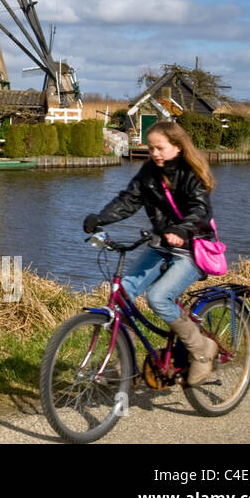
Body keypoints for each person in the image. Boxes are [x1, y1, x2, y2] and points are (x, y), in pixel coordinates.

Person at [83, 121, 218, 385]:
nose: (154, 153)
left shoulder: (191, 173)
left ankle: (202, 351)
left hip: (192, 248)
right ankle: (126, 364)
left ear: (177, 147)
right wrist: (100, 218)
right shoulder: (149, 172)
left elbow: (200, 209)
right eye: (151, 147)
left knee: (158, 298)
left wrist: (182, 229)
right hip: (162, 244)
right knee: (124, 295)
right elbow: (128, 200)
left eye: (160, 148)